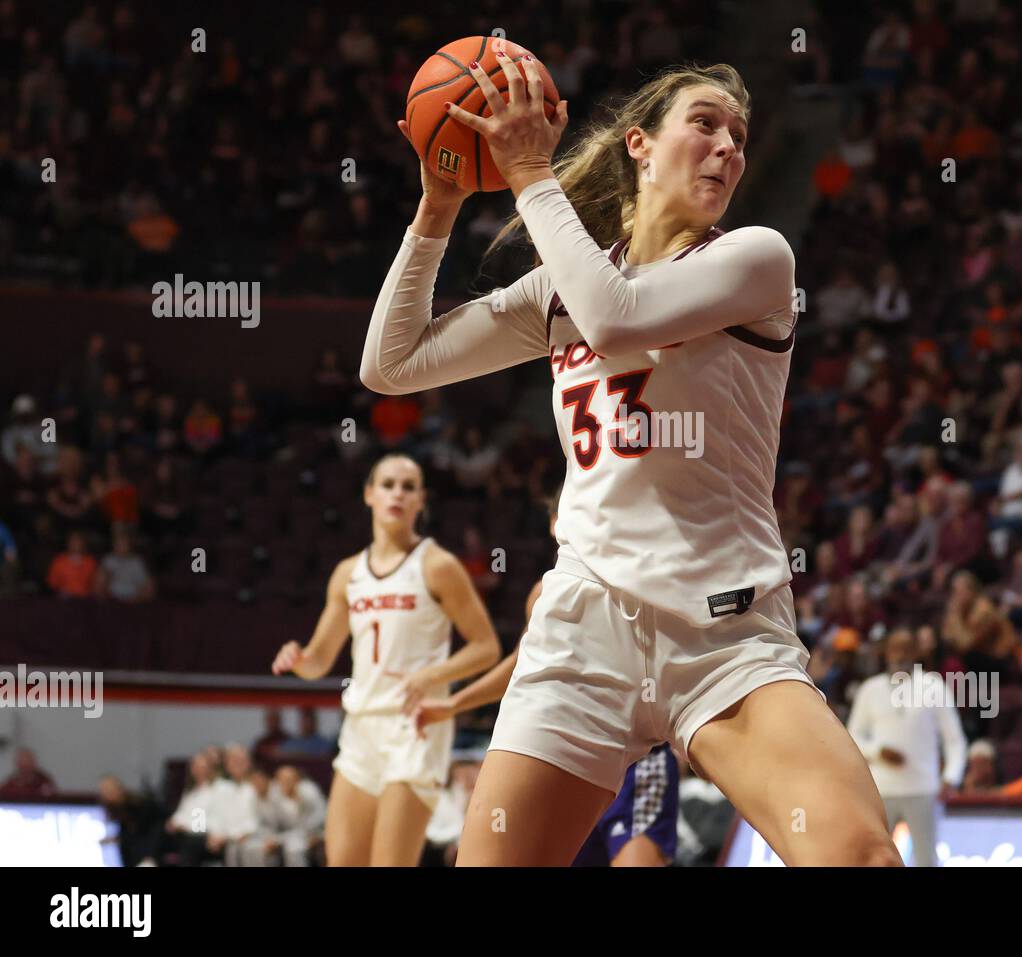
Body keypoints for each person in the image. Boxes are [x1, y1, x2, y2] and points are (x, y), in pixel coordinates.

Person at [363, 55, 898, 865]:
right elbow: (391, 363)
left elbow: (615, 319)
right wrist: (437, 208)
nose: (728, 146)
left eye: (739, 135)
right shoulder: (562, 289)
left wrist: (529, 173)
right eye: (706, 123)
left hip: (721, 631)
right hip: (584, 628)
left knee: (860, 855)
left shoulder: (756, 259)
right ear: (638, 144)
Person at [414, 503, 680, 867]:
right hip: (568, 753)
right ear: (557, 522)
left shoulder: (642, 577)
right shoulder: (544, 592)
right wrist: (454, 704)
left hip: (639, 759)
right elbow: (519, 664)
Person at [271, 453, 501, 866]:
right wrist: (298, 658)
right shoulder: (347, 573)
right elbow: (319, 660)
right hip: (361, 726)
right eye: (388, 484)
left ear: (420, 501)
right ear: (369, 494)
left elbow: (486, 647)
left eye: (409, 487)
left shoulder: (438, 565)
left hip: (416, 726)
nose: (398, 493)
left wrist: (432, 674)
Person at [844, 628, 967, 866]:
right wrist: (878, 752)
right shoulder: (870, 689)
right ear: (886, 652)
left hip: (923, 788)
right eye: (895, 649)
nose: (900, 654)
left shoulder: (933, 686)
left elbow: (954, 739)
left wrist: (951, 777)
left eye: (906, 649)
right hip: (881, 789)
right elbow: (852, 735)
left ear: (916, 652)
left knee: (926, 859)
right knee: (875, 858)